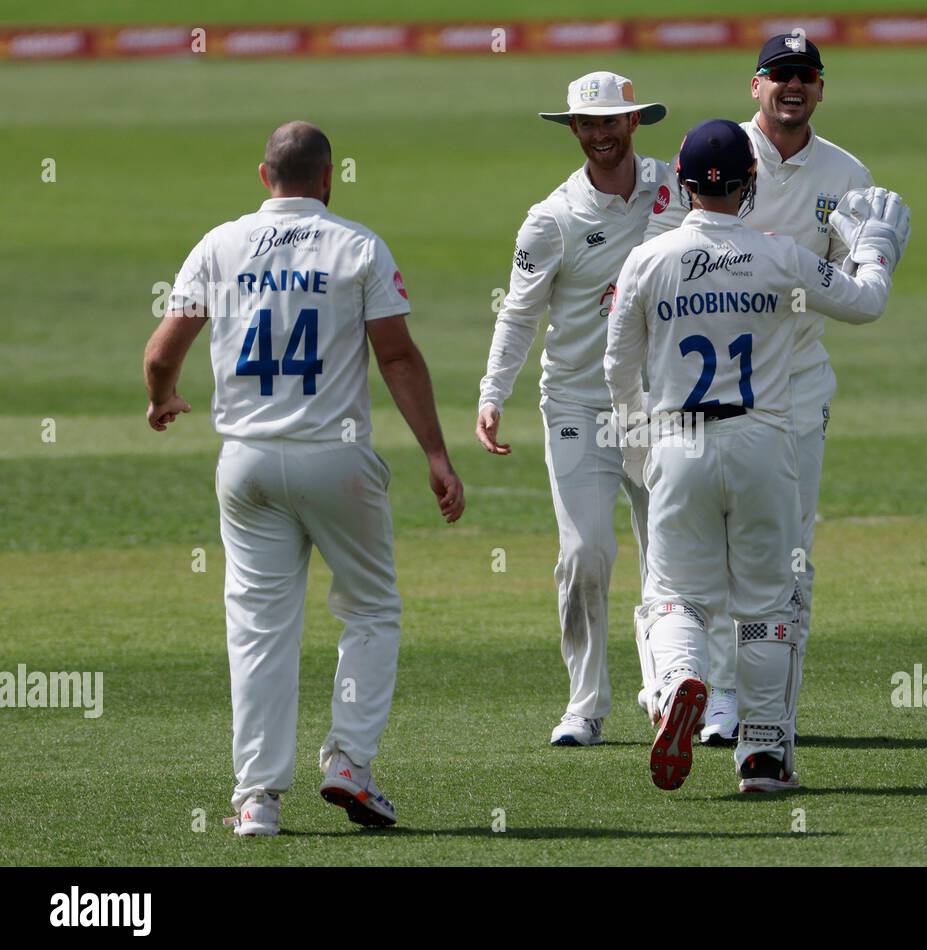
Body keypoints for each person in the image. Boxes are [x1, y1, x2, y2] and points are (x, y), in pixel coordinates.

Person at [143, 121, 464, 836]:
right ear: (328, 178)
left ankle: (257, 799)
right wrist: (437, 456)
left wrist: (162, 396)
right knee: (371, 610)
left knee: (259, 629)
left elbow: (163, 350)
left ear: (265, 176)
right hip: (336, 457)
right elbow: (399, 358)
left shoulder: (219, 244)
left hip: (247, 463)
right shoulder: (356, 245)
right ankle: (349, 763)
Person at [605, 118, 910, 791]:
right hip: (766, 442)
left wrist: (638, 445)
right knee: (768, 605)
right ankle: (763, 756)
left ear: (683, 186)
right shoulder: (778, 255)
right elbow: (865, 303)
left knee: (677, 596)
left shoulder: (648, 260)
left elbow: (617, 368)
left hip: (680, 441)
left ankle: (684, 679)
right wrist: (876, 246)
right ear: (749, 186)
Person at [643, 34, 881, 746]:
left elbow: (845, 287)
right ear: (756, 85)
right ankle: (719, 703)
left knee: (787, 560)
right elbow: (665, 261)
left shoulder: (846, 172)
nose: (793, 87)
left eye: (805, 76)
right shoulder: (718, 154)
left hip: (797, 387)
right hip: (702, 396)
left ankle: (771, 718)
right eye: (780, 76)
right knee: (711, 561)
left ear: (820, 87)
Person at [475, 72, 679, 746]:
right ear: (573, 129)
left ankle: (667, 692)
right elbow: (518, 315)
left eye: (611, 122)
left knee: (672, 558)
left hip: (658, 404)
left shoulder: (675, 190)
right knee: (586, 553)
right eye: (587, 124)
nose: (600, 135)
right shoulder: (552, 218)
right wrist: (492, 393)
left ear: (634, 123)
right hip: (578, 401)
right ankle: (586, 705)